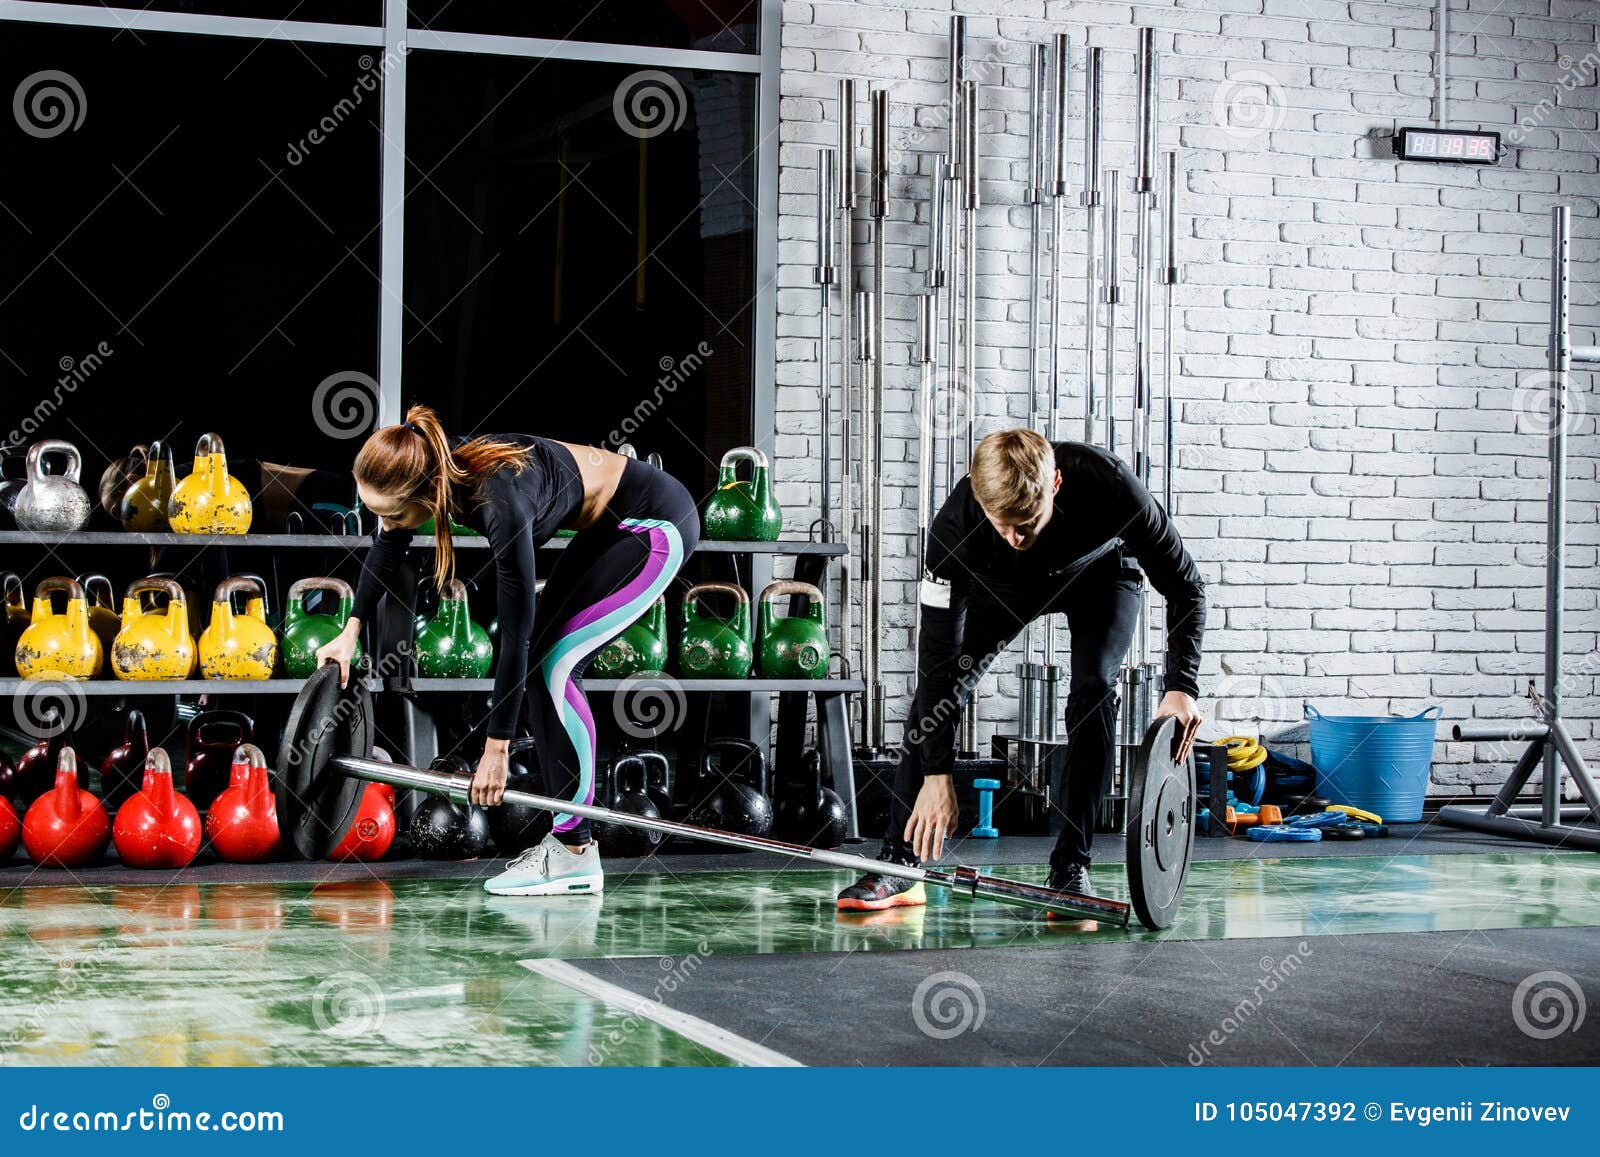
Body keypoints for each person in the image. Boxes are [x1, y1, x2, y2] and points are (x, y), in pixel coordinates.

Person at [316, 404, 698, 897]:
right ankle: (570, 848)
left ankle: (575, 853)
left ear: (427, 494)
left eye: (391, 513)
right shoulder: (427, 461)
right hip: (607, 526)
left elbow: (515, 633)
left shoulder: (499, 503)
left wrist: (496, 748)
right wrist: (349, 634)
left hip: (656, 525)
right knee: (546, 663)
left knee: (554, 665)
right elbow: (388, 547)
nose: (386, 524)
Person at [837, 428, 1205, 913]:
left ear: (1053, 485)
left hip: (1101, 575)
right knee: (942, 692)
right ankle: (899, 865)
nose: (1016, 537)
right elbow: (936, 659)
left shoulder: (1109, 484)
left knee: (1093, 690)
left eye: (1028, 523)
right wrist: (937, 772)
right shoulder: (954, 528)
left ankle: (1071, 867)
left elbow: (1186, 586)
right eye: (1003, 523)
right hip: (1004, 589)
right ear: (979, 496)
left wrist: (1181, 685)